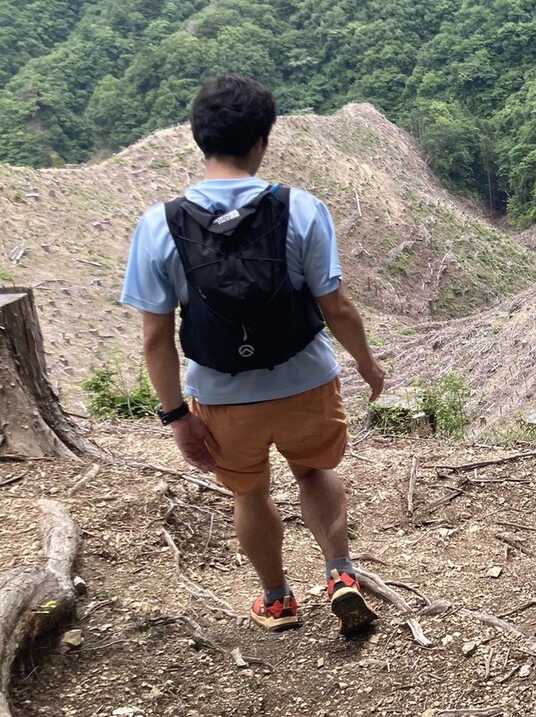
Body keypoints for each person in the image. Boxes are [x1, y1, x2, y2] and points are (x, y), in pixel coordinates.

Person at [120, 74, 386, 636]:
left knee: (249, 490)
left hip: (220, 392)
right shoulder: (302, 209)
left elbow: (154, 337)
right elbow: (336, 305)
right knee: (312, 470)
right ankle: (340, 575)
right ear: (262, 139)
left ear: (200, 139)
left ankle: (276, 599)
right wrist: (366, 362)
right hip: (305, 380)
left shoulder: (158, 225)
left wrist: (176, 417)